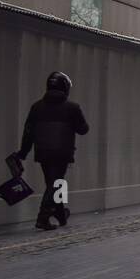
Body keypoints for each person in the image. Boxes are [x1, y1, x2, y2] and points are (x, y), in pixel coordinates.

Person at [14, 71, 89, 231]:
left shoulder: (36, 107)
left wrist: (23, 152)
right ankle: (43, 216)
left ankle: (60, 214)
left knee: (53, 182)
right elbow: (83, 129)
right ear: (65, 88)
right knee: (56, 182)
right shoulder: (72, 107)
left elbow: (28, 132)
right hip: (62, 151)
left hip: (42, 151)